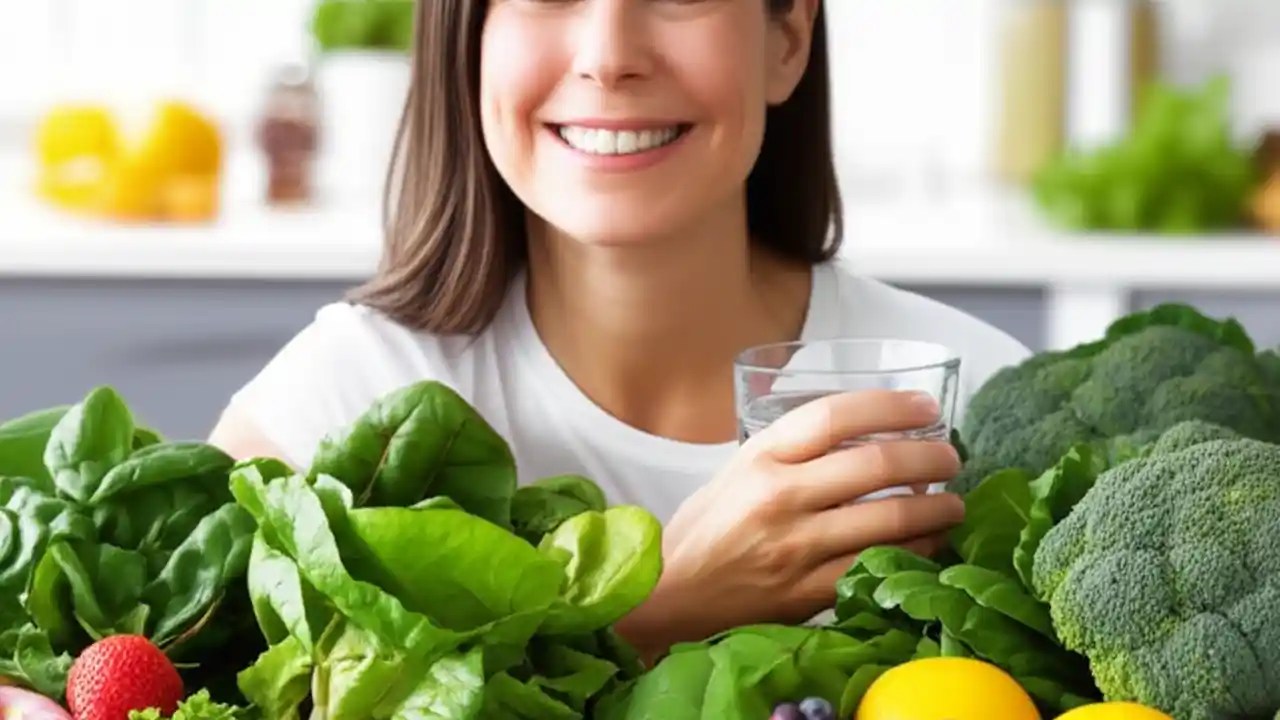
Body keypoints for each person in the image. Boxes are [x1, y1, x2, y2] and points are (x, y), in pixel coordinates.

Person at [209, 0, 1031, 664]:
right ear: (468, 37)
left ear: (786, 39)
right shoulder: (331, 409)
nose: (608, 56)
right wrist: (655, 613)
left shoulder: (985, 398)